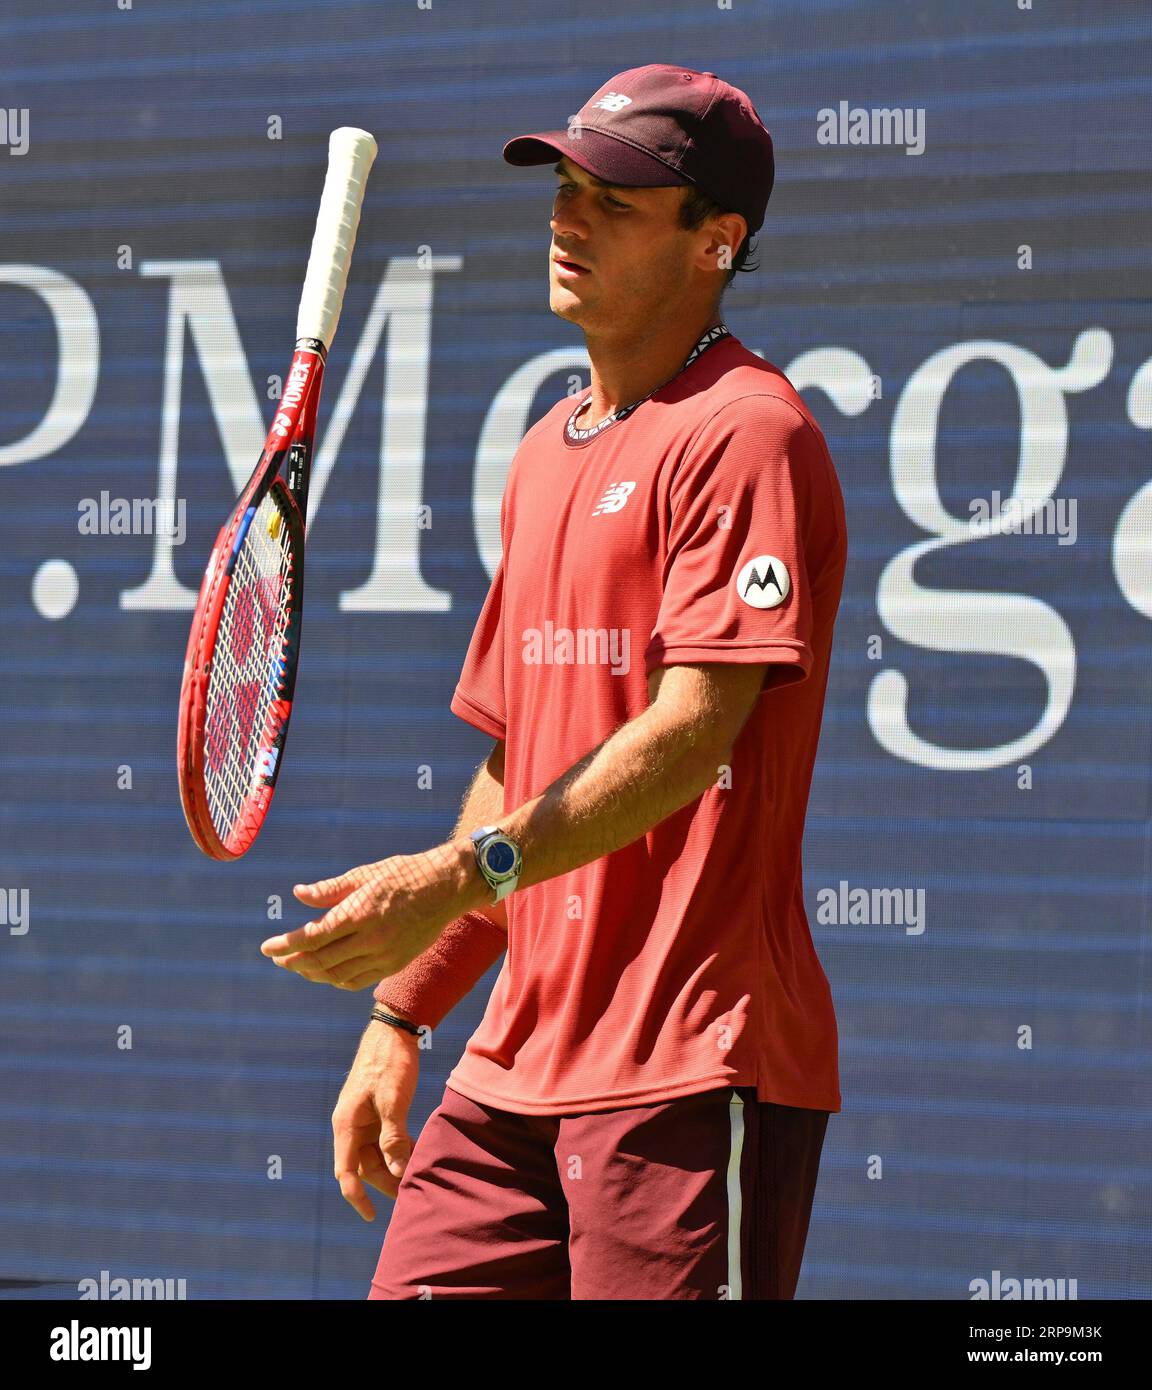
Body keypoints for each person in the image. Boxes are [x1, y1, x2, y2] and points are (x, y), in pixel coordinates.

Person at [261, 63, 847, 1300]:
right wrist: (403, 1012)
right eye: (567, 189)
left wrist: (459, 877)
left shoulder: (751, 432)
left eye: (617, 202)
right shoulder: (546, 450)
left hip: (687, 1066)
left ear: (716, 242)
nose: (567, 220)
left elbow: (695, 732)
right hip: (508, 1081)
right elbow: (511, 763)